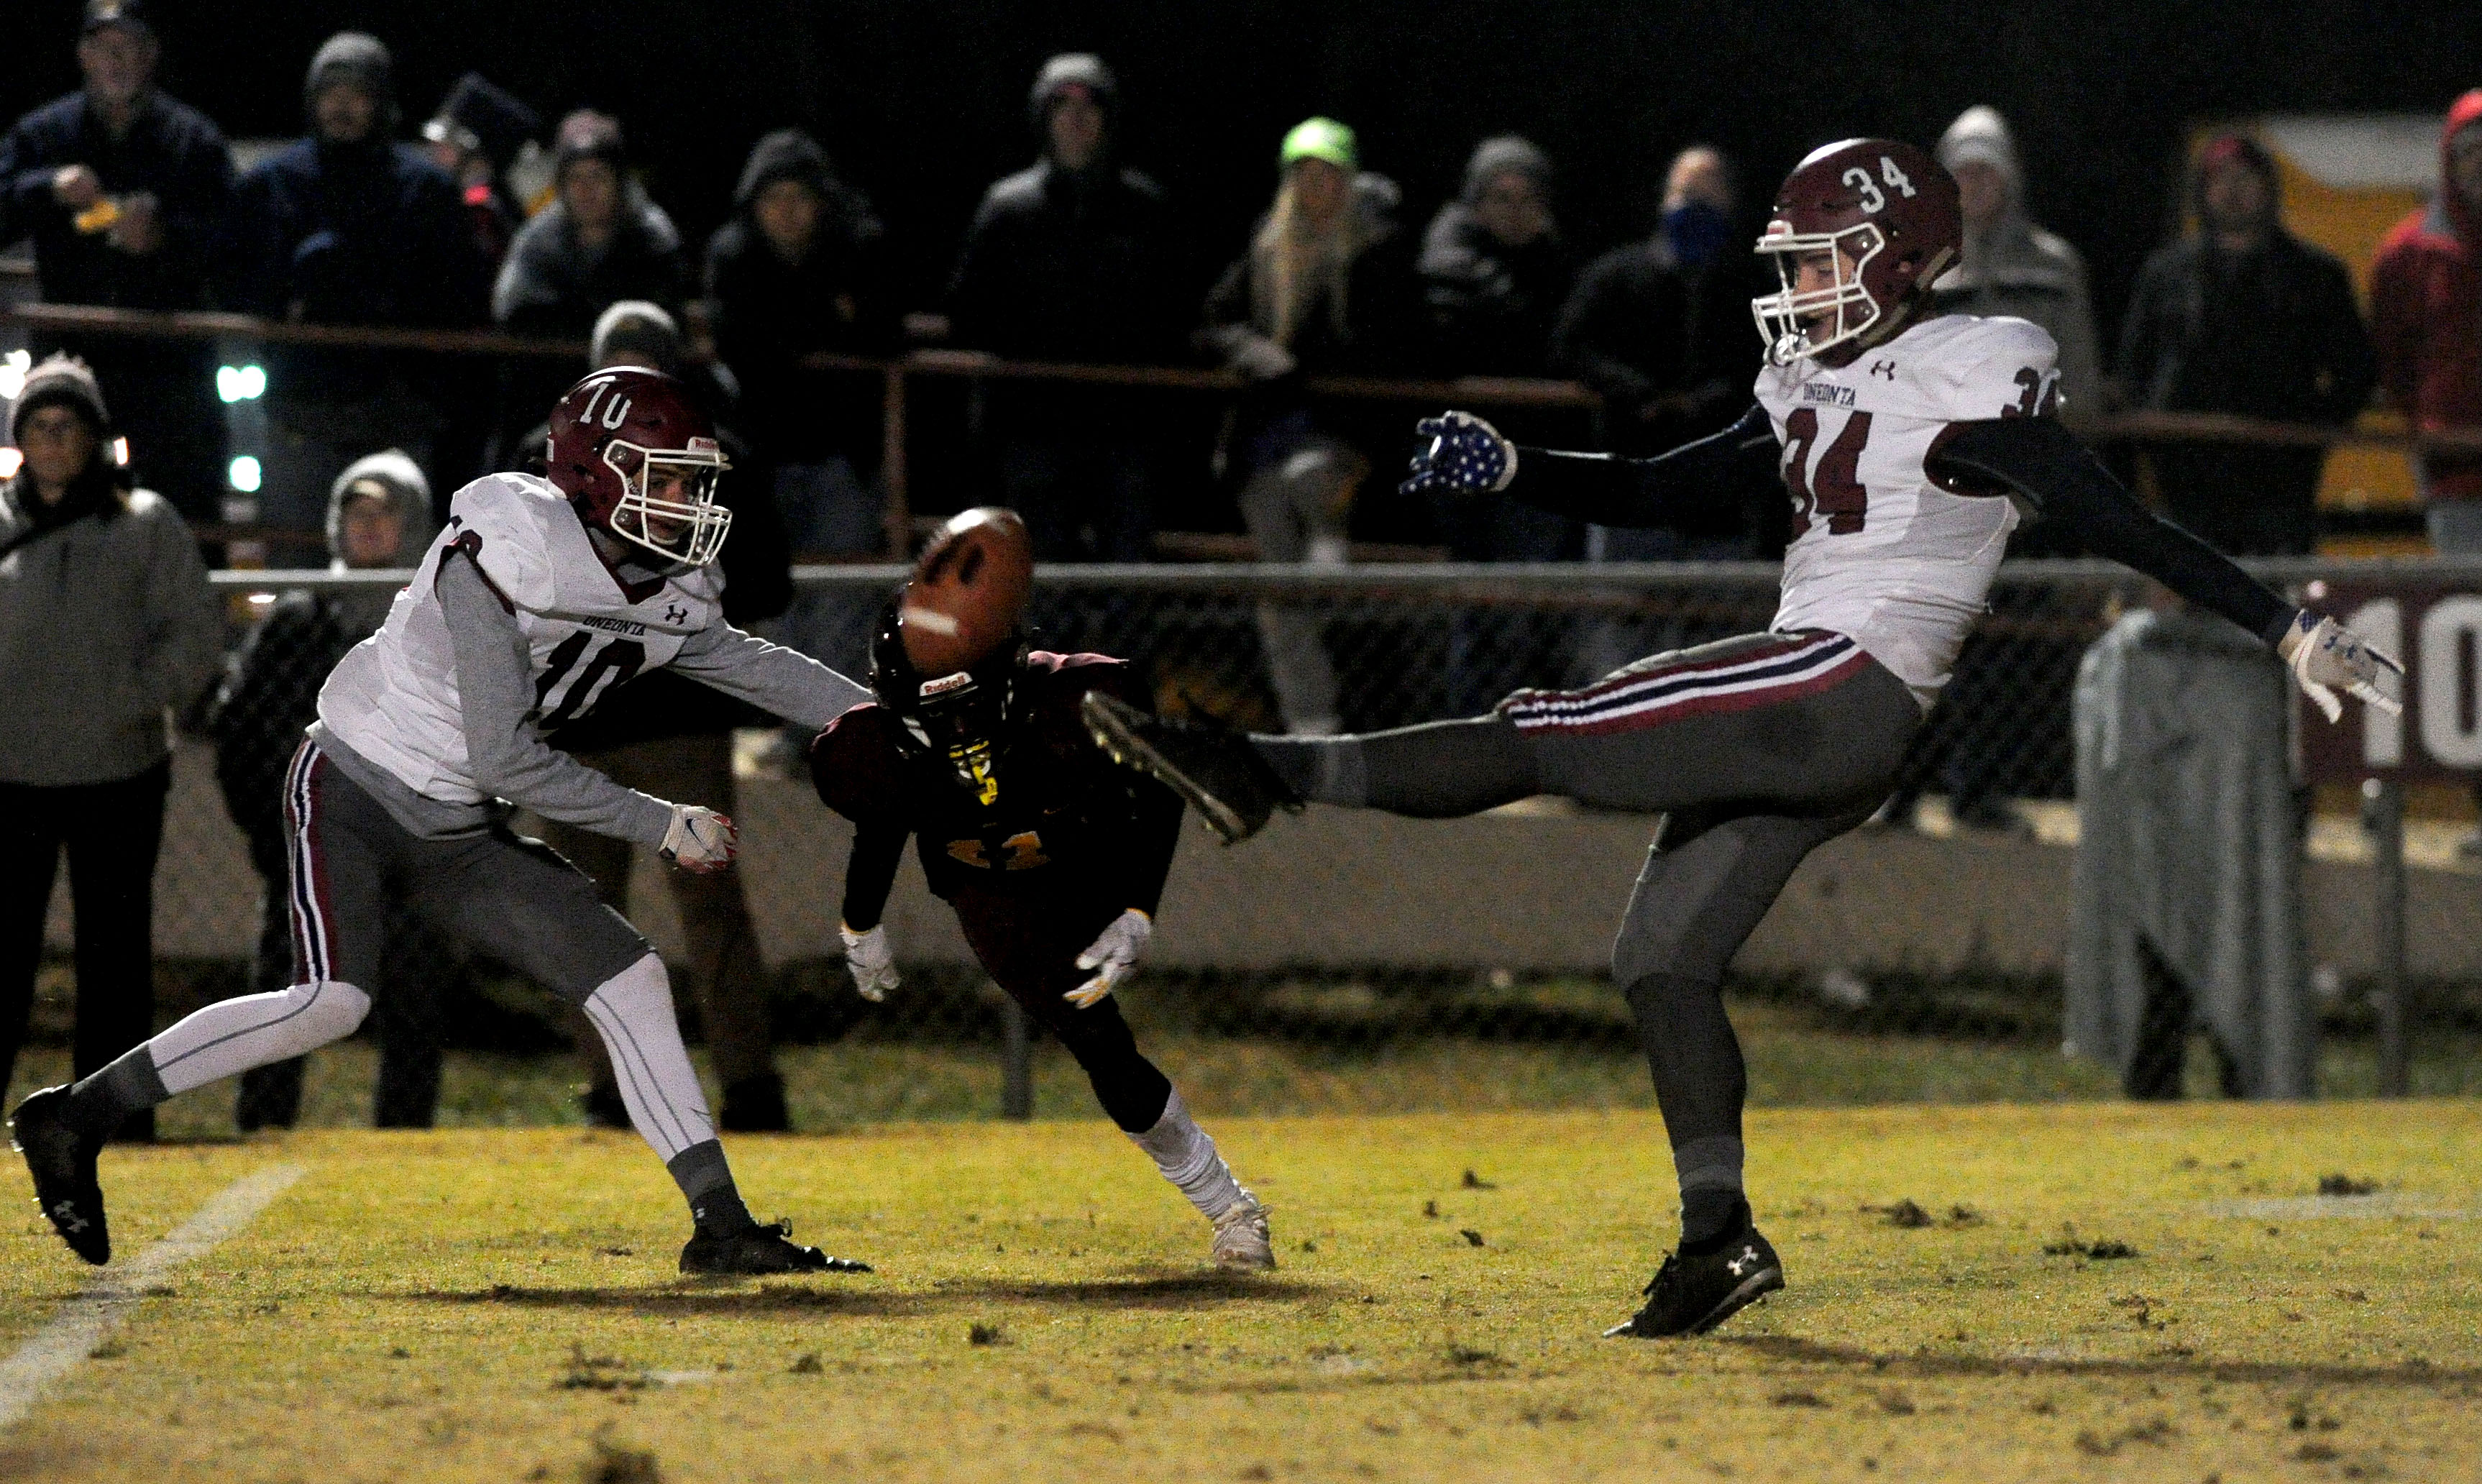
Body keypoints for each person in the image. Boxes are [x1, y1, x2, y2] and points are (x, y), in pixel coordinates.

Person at [1082, 139, 2404, 1339]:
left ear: (1896, 256)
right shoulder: (1817, 375)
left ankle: (1257, 768)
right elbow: (1671, 485)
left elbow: (2111, 515)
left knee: (1546, 729)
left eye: (1822, 259)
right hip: (1826, 709)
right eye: (1796, 261)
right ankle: (1718, 1239)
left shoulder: (1970, 369)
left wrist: (2283, 626)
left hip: (1836, 682)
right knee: (1662, 956)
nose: (1798, 285)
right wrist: (1519, 466)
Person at [12, 367, 874, 1276]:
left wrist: (888, 720)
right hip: (355, 784)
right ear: (595, 473)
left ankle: (721, 1224)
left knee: (628, 977)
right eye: (664, 479)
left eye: (692, 482)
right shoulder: (512, 542)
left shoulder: (673, 587)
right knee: (333, 1001)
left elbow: (755, 666)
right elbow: (505, 757)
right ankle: (75, 1115)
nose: (684, 503)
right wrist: (656, 822)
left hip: (456, 823)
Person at [809, 508, 1273, 1270]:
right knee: (1100, 1046)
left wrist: (1136, 907)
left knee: (1104, 1047)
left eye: (969, 709)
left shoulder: (1076, 699)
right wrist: (859, 921)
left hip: (1090, 862)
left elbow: (1157, 793)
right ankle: (1232, 1209)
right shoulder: (867, 750)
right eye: (934, 715)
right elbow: (881, 818)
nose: (958, 734)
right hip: (991, 896)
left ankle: (1232, 1212)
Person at [529, 303, 797, 1133]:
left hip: (620, 721)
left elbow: (765, 580)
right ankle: (723, 1087)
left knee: (622, 916)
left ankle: (651, 1091)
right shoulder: (708, 455)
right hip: (640, 721)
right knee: (668, 914)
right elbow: (767, 584)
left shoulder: (551, 456)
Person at [0, 355, 219, 1135]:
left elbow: (193, 636)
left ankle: (114, 1124)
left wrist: (126, 700)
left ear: (95, 436)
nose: (54, 440)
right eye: (39, 426)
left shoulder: (146, 525)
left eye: (69, 426)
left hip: (119, 771)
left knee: (115, 958)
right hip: (10, 777)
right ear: (21, 438)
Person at [209, 452, 456, 1131]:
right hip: (308, 851)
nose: (367, 527)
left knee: (412, 1005)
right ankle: (264, 1127)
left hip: (410, 855)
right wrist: (273, 837)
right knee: (284, 997)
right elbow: (242, 732)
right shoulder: (299, 620)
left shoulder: (442, 624)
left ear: (415, 524)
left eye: (386, 513)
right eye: (355, 512)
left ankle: (404, 1146)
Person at [1199, 116, 1419, 735]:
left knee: (1311, 480)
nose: (1318, 187)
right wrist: (1257, 354)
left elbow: (1400, 344)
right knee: (1279, 587)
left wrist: (1312, 365)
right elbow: (1214, 321)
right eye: (1307, 175)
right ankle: (1311, 718)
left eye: (1330, 175)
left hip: (1343, 433)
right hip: (1266, 436)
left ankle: (1330, 544)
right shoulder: (1268, 248)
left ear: (1349, 182)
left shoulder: (1378, 251)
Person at [226, 31, 492, 533]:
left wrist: (382, 294)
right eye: (330, 92)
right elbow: (238, 285)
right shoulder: (271, 185)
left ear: (380, 101)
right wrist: (293, 291)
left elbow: (461, 298)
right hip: (301, 410)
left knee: (402, 561)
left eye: (357, 93)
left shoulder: (425, 190)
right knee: (296, 554)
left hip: (396, 413)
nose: (342, 106)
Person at [947, 55, 1189, 563]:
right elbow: (968, 312)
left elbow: (1175, 311)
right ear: (1045, 119)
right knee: (1041, 567)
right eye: (1062, 108)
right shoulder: (1008, 208)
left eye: (1089, 108)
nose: (1076, 121)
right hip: (1032, 425)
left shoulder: (1144, 209)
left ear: (1107, 118)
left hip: (1125, 425)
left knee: (1127, 569)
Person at [0, 0, 234, 526]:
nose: (117, 61)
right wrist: (47, 188)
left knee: (183, 506)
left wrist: (163, 235)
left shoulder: (192, 139)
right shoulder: (44, 134)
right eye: (106, 48)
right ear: (84, 55)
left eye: (130, 48)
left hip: (168, 356)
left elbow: (233, 240)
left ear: (151, 55)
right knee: (59, 504)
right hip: (72, 354)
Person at [2117, 134, 2376, 556]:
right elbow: (2134, 367)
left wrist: (2310, 431)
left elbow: (2357, 371)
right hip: (2187, 481)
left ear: (2268, 187)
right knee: (2194, 589)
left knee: (2276, 594)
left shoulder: (2315, 276)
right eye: (2220, 178)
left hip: (2281, 484)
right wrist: (2160, 439)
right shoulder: (2166, 274)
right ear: (2203, 190)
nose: (2232, 190)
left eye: (2245, 178)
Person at [1552, 145, 1769, 558]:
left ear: (1730, 203)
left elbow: (1770, 359)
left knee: (1717, 597)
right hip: (1633, 472)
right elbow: (1571, 346)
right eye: (1687, 195)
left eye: (1709, 197)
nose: (1696, 208)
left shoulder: (1751, 284)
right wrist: (1639, 393)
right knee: (1621, 593)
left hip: (1718, 486)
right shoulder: (1616, 275)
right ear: (1665, 199)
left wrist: (1713, 399)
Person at [705, 128, 894, 562]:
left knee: (843, 582)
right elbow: (740, 342)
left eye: (800, 197)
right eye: (774, 198)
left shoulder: (858, 248)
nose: (786, 211)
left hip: (843, 454)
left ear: (822, 203)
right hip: (758, 453)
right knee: (761, 580)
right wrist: (828, 316)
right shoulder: (734, 258)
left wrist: (784, 320)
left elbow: (885, 335)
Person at [493, 111, 690, 454]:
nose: (587, 191)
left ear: (620, 182)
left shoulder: (653, 236)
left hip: (638, 401)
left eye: (599, 177)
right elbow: (515, 309)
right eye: (576, 178)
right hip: (552, 393)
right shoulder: (540, 237)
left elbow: (662, 319)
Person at [1931, 107, 2103, 421]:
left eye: (1987, 171)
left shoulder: (2055, 266)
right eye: (1965, 172)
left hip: (2035, 437)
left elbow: (2080, 379)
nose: (1975, 184)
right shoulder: (1928, 270)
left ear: (2009, 177)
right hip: (1949, 441)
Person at [2372, 90, 2482, 553]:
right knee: (2465, 589)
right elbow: (2392, 360)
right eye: (2470, 151)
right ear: (2449, 161)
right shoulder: (2408, 253)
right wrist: (2431, 425)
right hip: (2453, 472)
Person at [419, 71, 541, 271]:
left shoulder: (483, 212)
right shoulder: (439, 192)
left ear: (477, 158)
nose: (434, 152)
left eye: (447, 145)